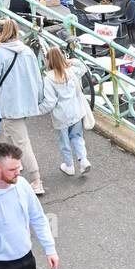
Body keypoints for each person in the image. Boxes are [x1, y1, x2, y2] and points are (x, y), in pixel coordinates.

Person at [0, 18, 46, 196]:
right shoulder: (27, 51)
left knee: (21, 141)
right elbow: (37, 76)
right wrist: (39, 97)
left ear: (1, 33)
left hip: (10, 103)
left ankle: (36, 179)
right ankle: (14, 165)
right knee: (12, 134)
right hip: (26, 100)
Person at [38, 45, 91, 178]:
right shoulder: (70, 71)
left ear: (48, 60)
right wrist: (71, 61)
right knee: (77, 137)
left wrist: (37, 110)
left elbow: (50, 102)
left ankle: (69, 166)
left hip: (61, 116)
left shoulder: (49, 78)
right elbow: (83, 67)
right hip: (76, 111)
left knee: (64, 142)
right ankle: (83, 160)